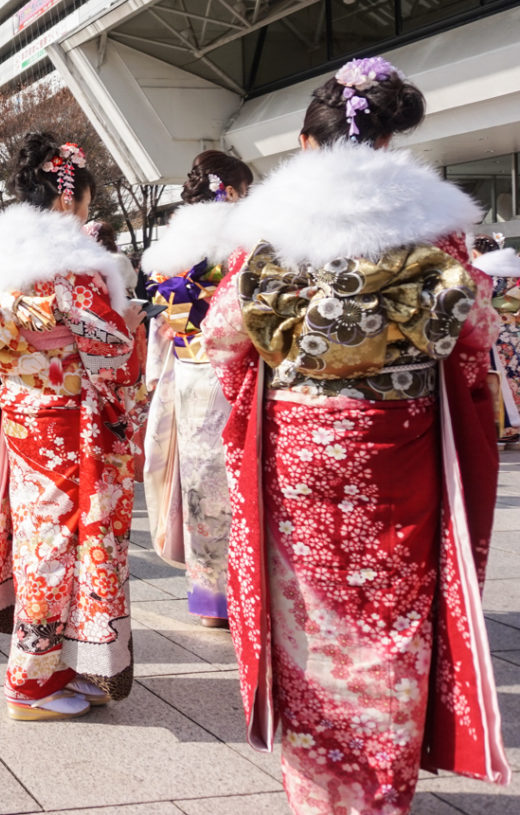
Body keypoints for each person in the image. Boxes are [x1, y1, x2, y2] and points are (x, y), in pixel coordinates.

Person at [204, 57, 510, 811]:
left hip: (299, 443)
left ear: (310, 142)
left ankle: (319, 792)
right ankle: (380, 792)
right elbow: (475, 333)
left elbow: (224, 337)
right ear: (385, 138)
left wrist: (274, 389)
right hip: (395, 448)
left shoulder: (271, 224)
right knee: (388, 620)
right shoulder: (435, 224)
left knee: (307, 610)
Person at [0, 135, 143, 719]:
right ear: (69, 195)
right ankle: (30, 683)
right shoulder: (75, 268)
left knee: (44, 538)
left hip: (25, 410)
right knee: (62, 544)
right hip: (70, 418)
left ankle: (66, 666)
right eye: (85, 195)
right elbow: (107, 346)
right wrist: (131, 325)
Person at [139, 150, 254, 628]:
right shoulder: (241, 244)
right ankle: (240, 592)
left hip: (186, 371)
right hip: (231, 372)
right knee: (234, 482)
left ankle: (210, 597)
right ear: (230, 190)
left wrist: (153, 375)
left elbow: (163, 322)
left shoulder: (172, 247)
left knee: (199, 485)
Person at [472, 236, 520, 444]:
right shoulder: (512, 269)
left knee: (501, 378)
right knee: (515, 376)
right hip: (514, 327)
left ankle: (508, 426)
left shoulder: (486, 271)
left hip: (497, 331)